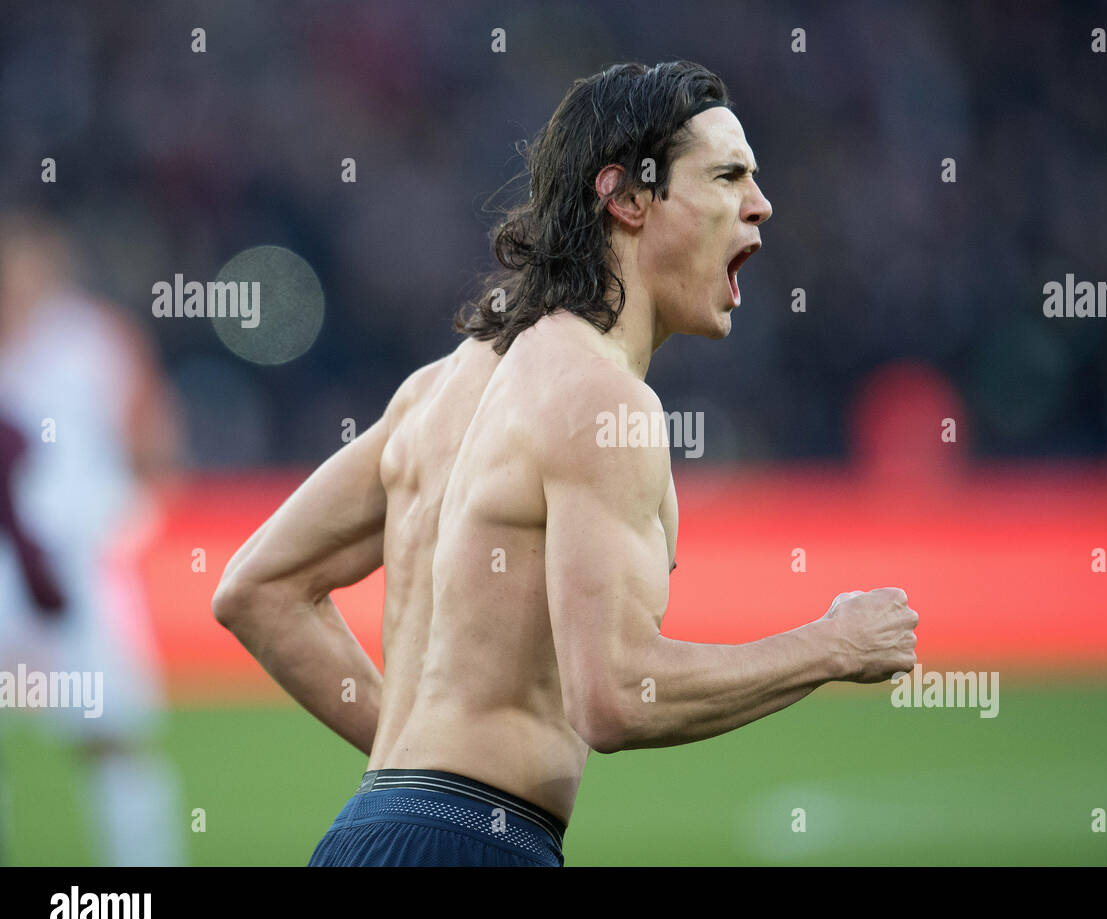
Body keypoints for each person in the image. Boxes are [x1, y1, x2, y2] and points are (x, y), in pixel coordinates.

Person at [214, 61, 918, 867]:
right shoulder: (602, 402)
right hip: (474, 847)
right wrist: (832, 645)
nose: (760, 204)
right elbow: (616, 696)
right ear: (625, 198)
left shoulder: (436, 392)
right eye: (727, 176)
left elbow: (256, 589)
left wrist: (418, 772)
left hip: (366, 836)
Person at [0, 211, 184, 865]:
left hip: (77, 561)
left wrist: (136, 505)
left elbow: (150, 425)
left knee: (112, 732)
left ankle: (142, 873)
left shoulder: (90, 339)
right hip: (3, 567)